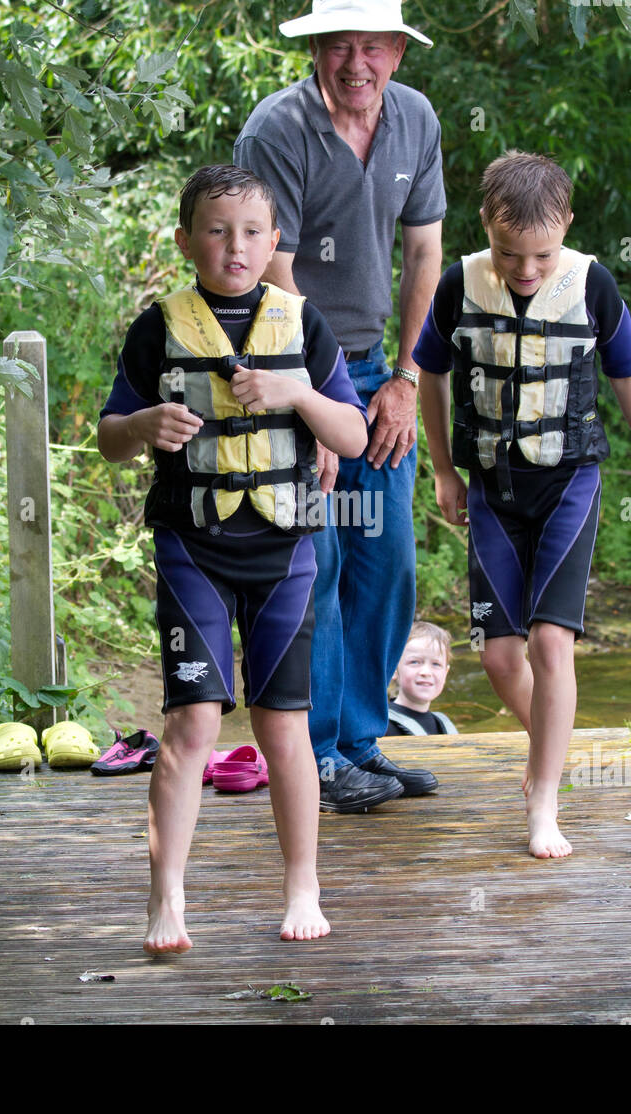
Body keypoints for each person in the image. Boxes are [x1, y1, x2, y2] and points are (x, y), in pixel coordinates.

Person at [97, 165, 368, 953]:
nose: (235, 246)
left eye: (251, 232)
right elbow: (111, 441)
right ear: (186, 241)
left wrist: (296, 396)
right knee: (190, 722)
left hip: (285, 551)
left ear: (275, 241)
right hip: (192, 546)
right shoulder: (158, 328)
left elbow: (351, 439)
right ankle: (167, 900)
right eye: (216, 230)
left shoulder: (304, 324)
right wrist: (145, 422)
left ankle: (303, 887)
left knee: (285, 725)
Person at [413, 151, 631, 858]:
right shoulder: (458, 284)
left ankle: (544, 800)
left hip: (568, 484)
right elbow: (430, 376)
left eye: (541, 254)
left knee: (549, 642)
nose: (525, 270)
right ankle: (554, 754)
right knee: (502, 659)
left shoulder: (592, 284)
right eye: (509, 254)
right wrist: (443, 469)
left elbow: (629, 376)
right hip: (492, 492)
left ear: (565, 225)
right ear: (486, 229)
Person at [234, 0, 446, 813]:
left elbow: (424, 250)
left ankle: (361, 740)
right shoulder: (275, 131)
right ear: (317, 48)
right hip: (291, 368)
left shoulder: (415, 119)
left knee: (385, 558)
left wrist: (406, 376)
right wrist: (320, 397)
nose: (357, 64)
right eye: (339, 46)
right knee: (312, 562)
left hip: (380, 372)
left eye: (373, 46)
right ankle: (316, 758)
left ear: (396, 49)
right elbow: (274, 273)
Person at [388, 621, 458, 735]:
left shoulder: (445, 726)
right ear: (394, 670)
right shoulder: (381, 726)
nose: (426, 672)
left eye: (436, 664)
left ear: (446, 672)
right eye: (414, 662)